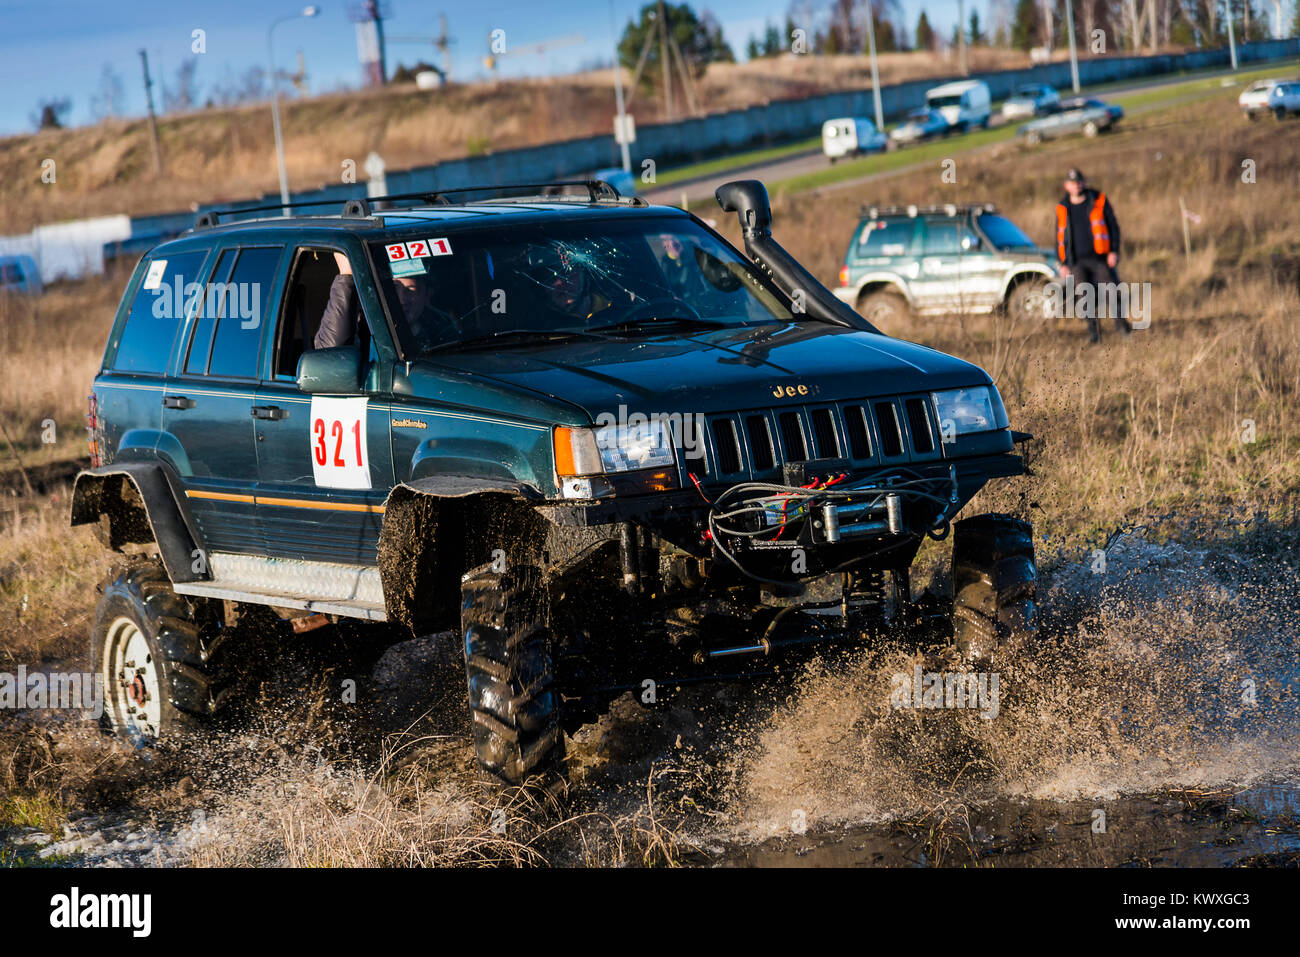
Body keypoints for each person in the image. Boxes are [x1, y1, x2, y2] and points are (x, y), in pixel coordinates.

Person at [314, 252, 455, 351]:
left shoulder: (444, 332)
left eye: (411, 289)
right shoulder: (364, 327)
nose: (402, 299)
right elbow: (331, 358)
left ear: (427, 295)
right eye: (394, 288)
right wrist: (347, 276)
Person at [1055, 168, 1131, 344]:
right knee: (1084, 297)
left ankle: (1123, 329)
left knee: (1111, 291)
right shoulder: (1062, 208)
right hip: (1076, 262)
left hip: (1100, 258)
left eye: (1079, 182)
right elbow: (1059, 236)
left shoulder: (1098, 200)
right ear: (1067, 186)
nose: (1076, 186)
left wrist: (1114, 251)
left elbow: (1113, 227)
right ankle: (1094, 335)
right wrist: (1062, 263)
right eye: (1073, 183)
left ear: (1084, 182)